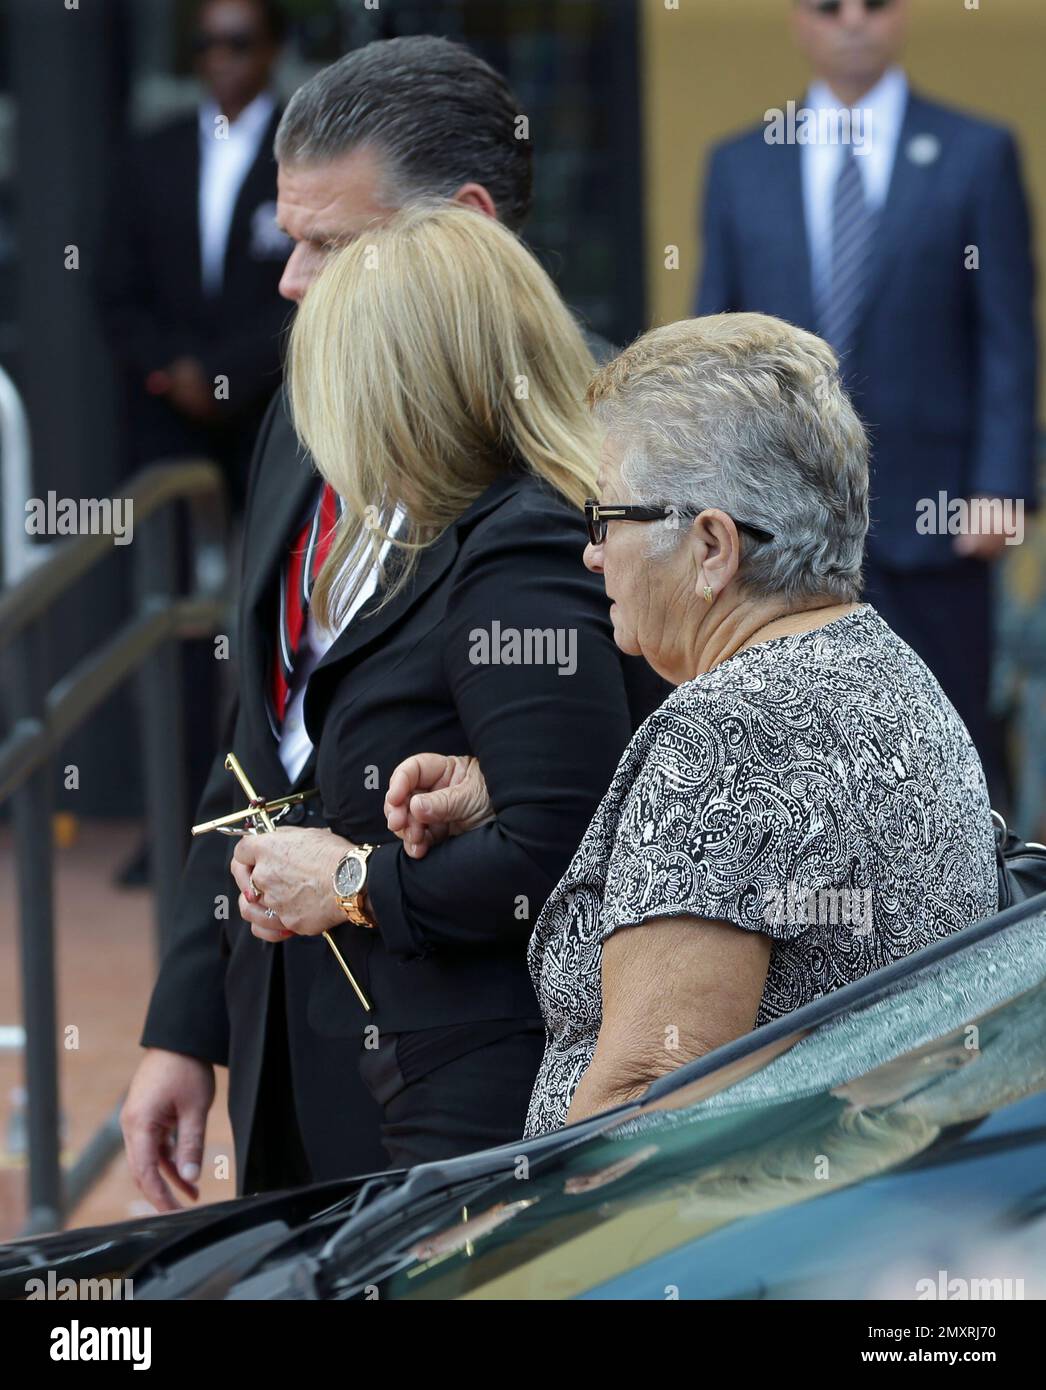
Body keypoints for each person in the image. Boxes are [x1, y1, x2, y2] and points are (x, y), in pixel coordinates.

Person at [122, 37, 667, 1211]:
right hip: (285, 1044)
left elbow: (579, 820)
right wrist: (185, 1022)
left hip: (469, 1075)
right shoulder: (303, 416)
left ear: (458, 223)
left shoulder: (592, 464)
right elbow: (257, 736)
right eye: (287, 236)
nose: (288, 279)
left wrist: (366, 874)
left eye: (327, 243)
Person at [385, 313, 1000, 1138]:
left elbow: (653, 1108)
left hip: (738, 1256)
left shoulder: (725, 737)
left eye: (606, 518)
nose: (591, 553)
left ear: (711, 546)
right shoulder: (889, 671)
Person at [694, 0, 1038, 800]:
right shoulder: (742, 164)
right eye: (829, 7)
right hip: (780, 518)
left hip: (937, 521)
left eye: (873, 5)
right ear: (797, 22)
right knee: (798, 746)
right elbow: (715, 345)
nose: (853, 22)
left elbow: (1007, 335)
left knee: (955, 743)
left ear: (903, 15)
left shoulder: (975, 153)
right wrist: (711, 492)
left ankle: (987, 918)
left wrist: (1001, 487)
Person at [98, 0, 292, 864]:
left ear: (272, 50)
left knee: (269, 613)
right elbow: (112, 287)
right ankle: (175, 821)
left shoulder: (304, 144)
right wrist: (174, 372)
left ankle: (267, 808)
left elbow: (314, 282)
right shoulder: (156, 152)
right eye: (204, 43)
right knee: (169, 624)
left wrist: (229, 379)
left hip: (269, 416)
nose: (219, 59)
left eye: (238, 43)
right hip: (169, 423)